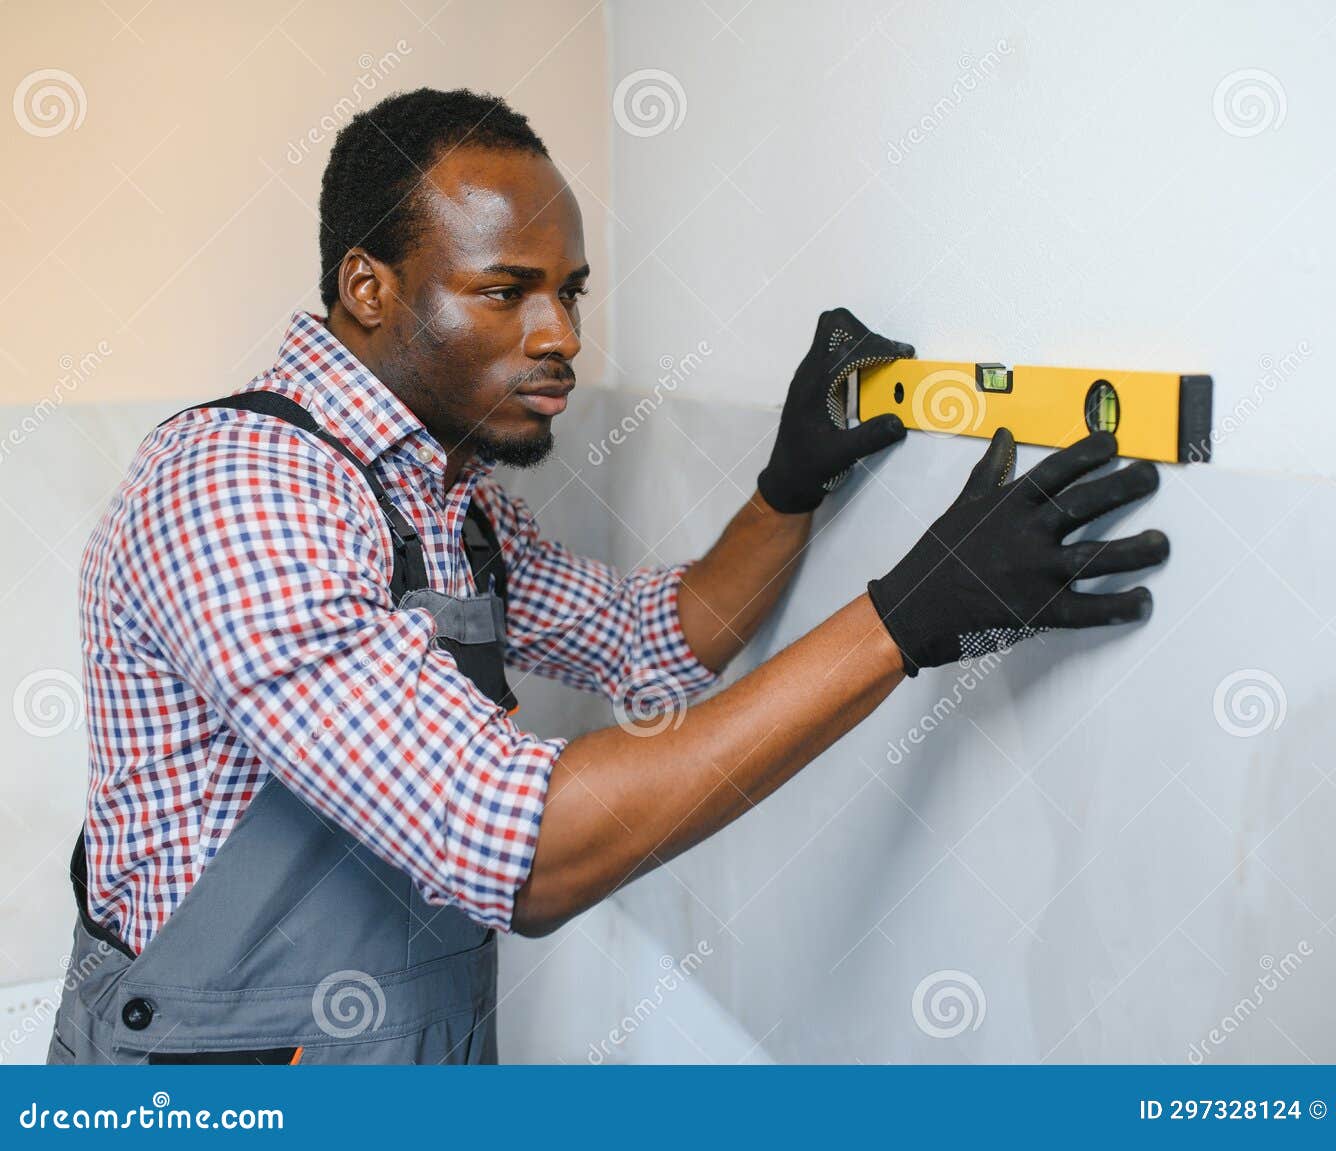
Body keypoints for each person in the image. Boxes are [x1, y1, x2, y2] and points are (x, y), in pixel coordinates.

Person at [48, 87, 1168, 1065]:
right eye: (506, 291)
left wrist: (788, 489)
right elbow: (525, 851)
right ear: (368, 287)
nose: (561, 335)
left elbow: (652, 640)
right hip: (217, 1078)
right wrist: (903, 619)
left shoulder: (446, 494)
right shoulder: (240, 490)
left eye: (570, 292)